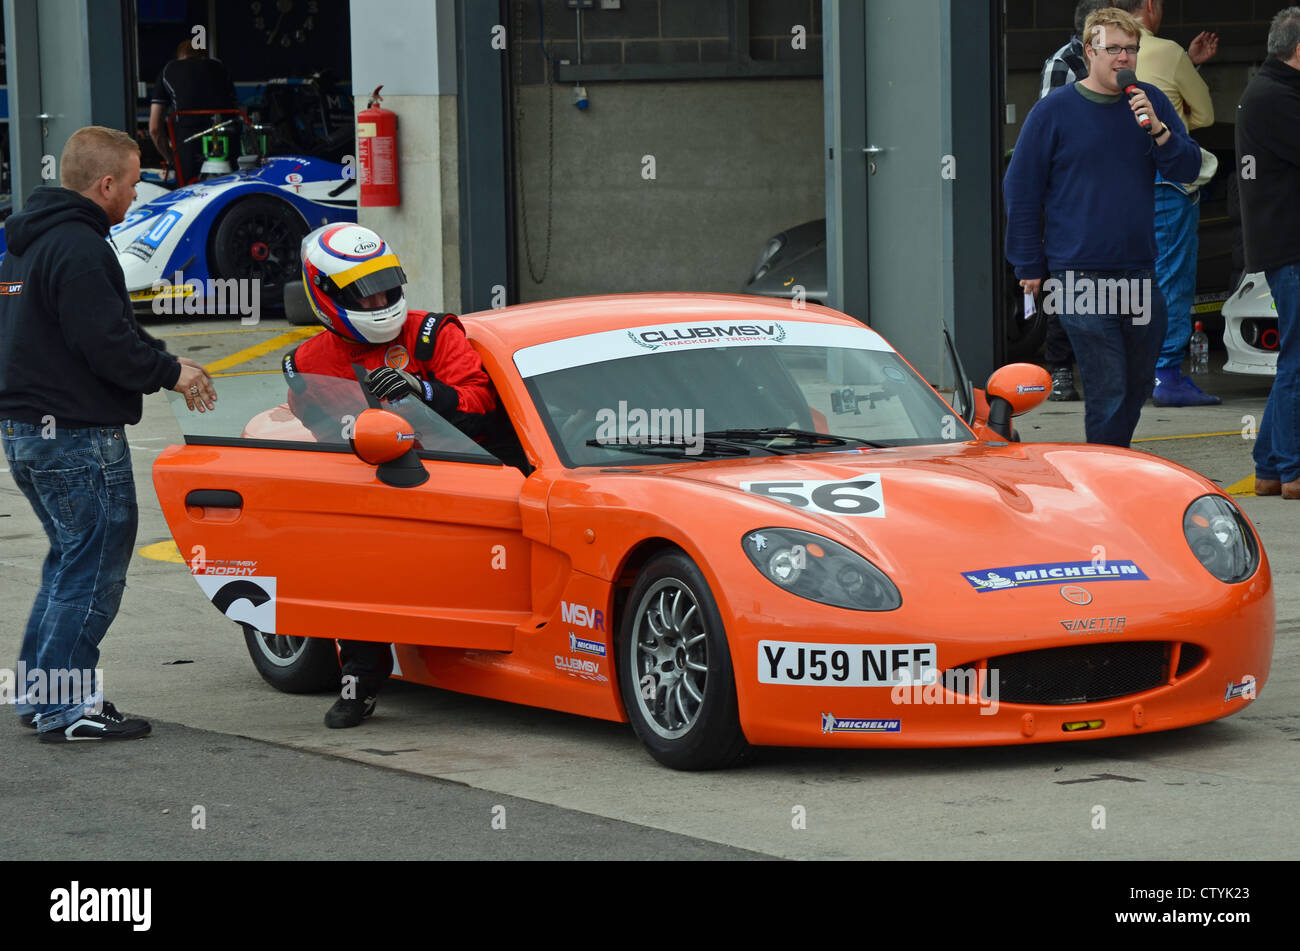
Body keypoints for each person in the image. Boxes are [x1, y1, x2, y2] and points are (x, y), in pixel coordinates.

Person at [0, 126, 217, 742]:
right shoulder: (81, 247)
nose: (136, 194)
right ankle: (67, 709)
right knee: (93, 568)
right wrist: (171, 371)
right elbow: (105, 344)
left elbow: (96, 331)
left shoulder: (24, 244)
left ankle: (42, 698)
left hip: (25, 431)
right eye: (132, 181)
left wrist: (157, 358)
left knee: (68, 562)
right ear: (105, 184)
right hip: (75, 436)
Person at [282, 224, 509, 727]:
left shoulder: (433, 333)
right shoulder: (304, 365)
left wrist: (422, 393)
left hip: (465, 480)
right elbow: (327, 445)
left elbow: (484, 407)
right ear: (326, 295)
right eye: (365, 292)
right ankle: (360, 681)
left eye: (387, 285)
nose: (381, 299)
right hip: (380, 492)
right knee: (343, 548)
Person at [1004, 7, 1201, 448]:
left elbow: (1188, 167)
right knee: (1106, 380)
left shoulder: (1148, 101)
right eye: (1113, 49)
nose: (1123, 58)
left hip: (1139, 270)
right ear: (1089, 50)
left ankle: (1114, 458)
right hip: (1079, 274)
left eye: (1131, 49)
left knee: (1135, 382)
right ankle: (1109, 472)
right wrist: (1027, 263)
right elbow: (1020, 188)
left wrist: (1161, 132)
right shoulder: (1053, 111)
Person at [1114, 0, 1222, 406]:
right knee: (1171, 277)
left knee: (1126, 276)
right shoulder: (1168, 51)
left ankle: (1132, 370)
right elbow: (1206, 115)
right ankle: (1166, 374)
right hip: (1166, 179)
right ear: (1151, 6)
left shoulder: (1095, 51)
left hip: (1120, 181)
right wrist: (1174, 111)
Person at [1237, 8, 1300, 497]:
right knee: (1298, 361)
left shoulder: (1275, 91)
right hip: (1291, 247)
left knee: (1294, 360)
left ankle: (1271, 467)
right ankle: (1292, 468)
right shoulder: (1275, 97)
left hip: (1285, 244)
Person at [1039, 0, 1108, 402]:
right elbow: (1050, 130)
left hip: (1107, 191)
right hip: (1071, 192)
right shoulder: (1061, 65)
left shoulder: (1121, 66)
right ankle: (1060, 367)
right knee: (1067, 280)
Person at [149, 39, 238, 184]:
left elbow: (154, 128)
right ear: (205, 55)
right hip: (226, 142)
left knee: (189, 197)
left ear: (180, 56)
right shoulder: (220, 67)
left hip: (187, 145)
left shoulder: (168, 70)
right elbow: (236, 110)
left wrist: (171, 159)